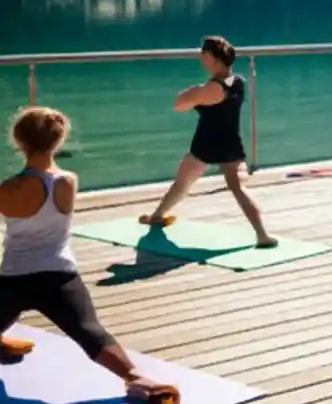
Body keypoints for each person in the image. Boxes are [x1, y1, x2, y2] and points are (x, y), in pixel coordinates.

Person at [1, 107, 180, 402]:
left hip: (13, 280)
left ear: (18, 141)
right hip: (59, 274)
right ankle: (138, 379)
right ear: (57, 142)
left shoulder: (9, 188)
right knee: (90, 331)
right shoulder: (68, 181)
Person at [140, 37, 276, 248]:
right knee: (236, 187)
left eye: (203, 54)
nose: (201, 58)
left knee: (182, 183)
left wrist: (192, 91)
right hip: (231, 141)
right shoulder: (238, 82)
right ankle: (262, 234)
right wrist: (197, 92)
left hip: (207, 143)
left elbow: (179, 104)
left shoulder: (211, 88)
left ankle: (157, 215)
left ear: (213, 58)